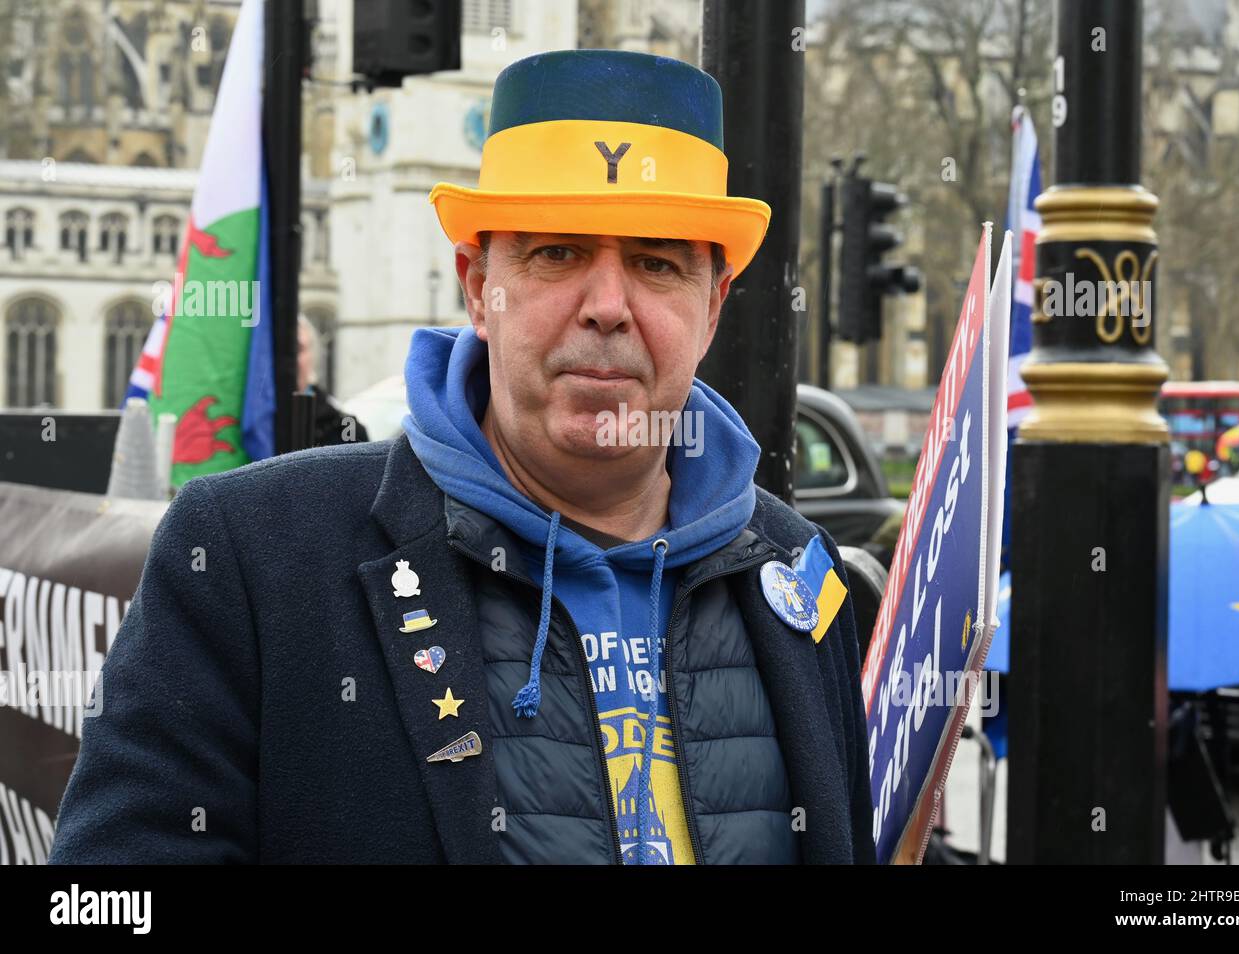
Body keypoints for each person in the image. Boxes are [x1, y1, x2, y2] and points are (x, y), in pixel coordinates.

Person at [49, 49, 875, 864]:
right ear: (479, 287)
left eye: (657, 264)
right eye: (558, 253)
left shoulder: (802, 576)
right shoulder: (249, 555)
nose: (608, 307)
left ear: (713, 307)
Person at [298, 315, 369, 447]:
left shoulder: (345, 428)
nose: (287, 361)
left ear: (313, 354)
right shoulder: (256, 426)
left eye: (298, 349)